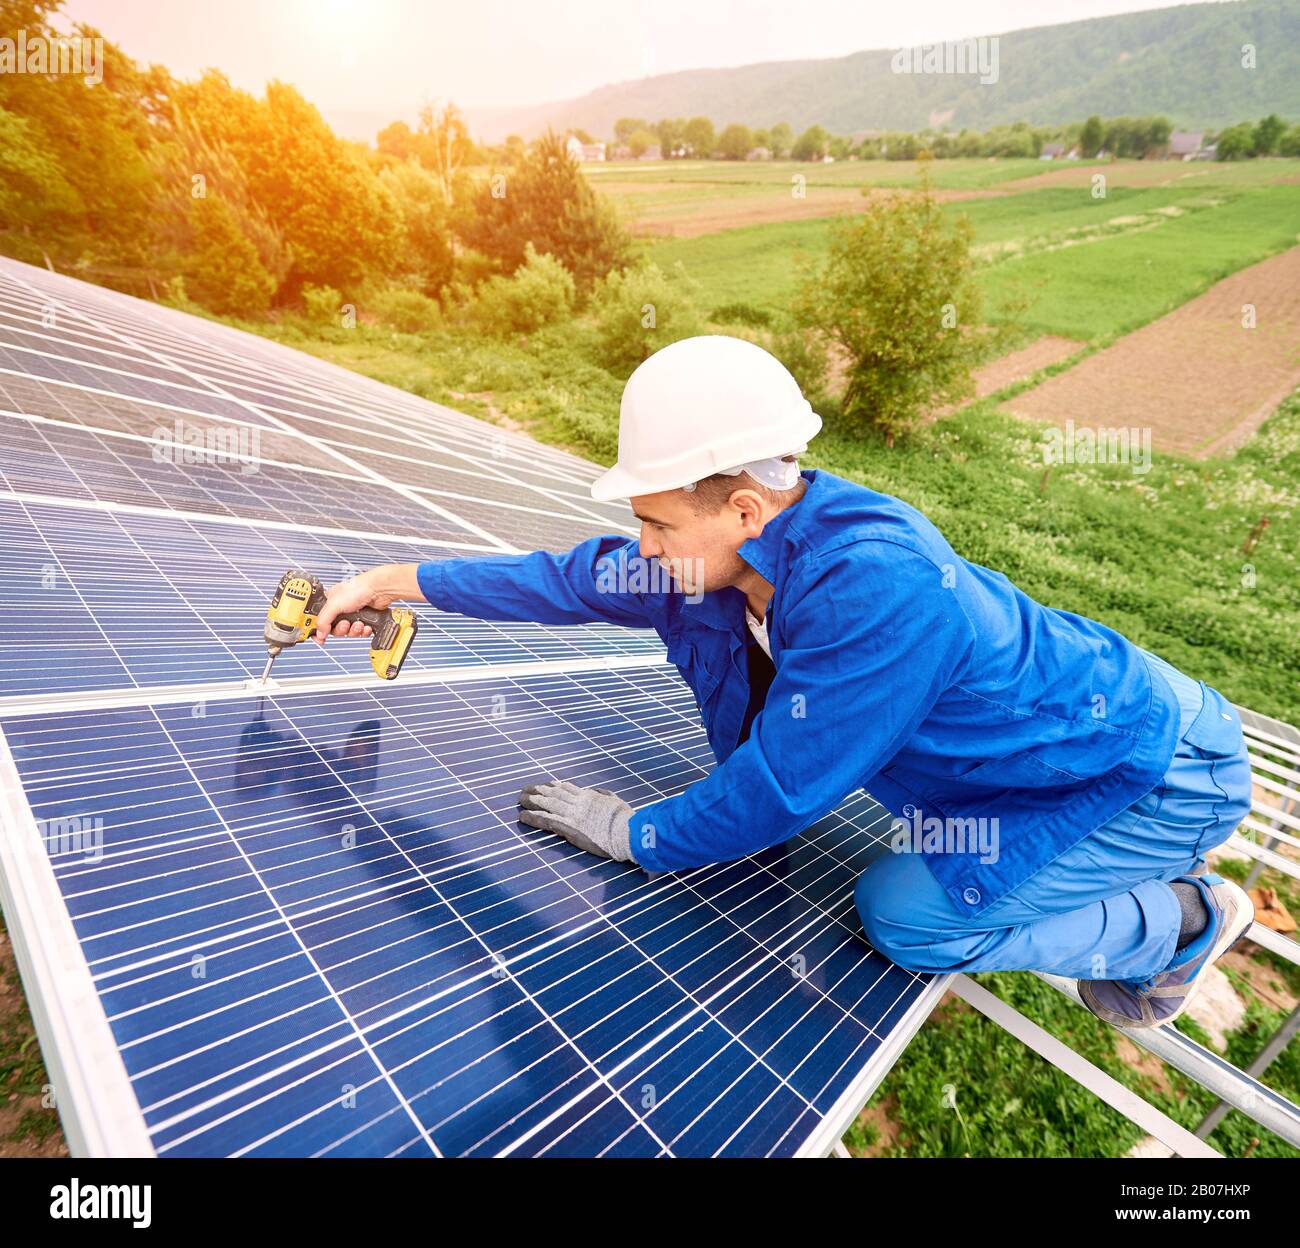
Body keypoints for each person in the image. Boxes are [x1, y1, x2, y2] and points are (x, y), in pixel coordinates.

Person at [312, 334, 1256, 1032]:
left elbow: (779, 788)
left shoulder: (877, 590)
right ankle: (1123, 882)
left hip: (1148, 772)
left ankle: (1181, 921)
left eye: (656, 524)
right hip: (1026, 765)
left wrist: (636, 835)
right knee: (938, 853)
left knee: (906, 916)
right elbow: (564, 578)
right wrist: (390, 582)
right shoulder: (711, 559)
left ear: (744, 508)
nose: (643, 546)